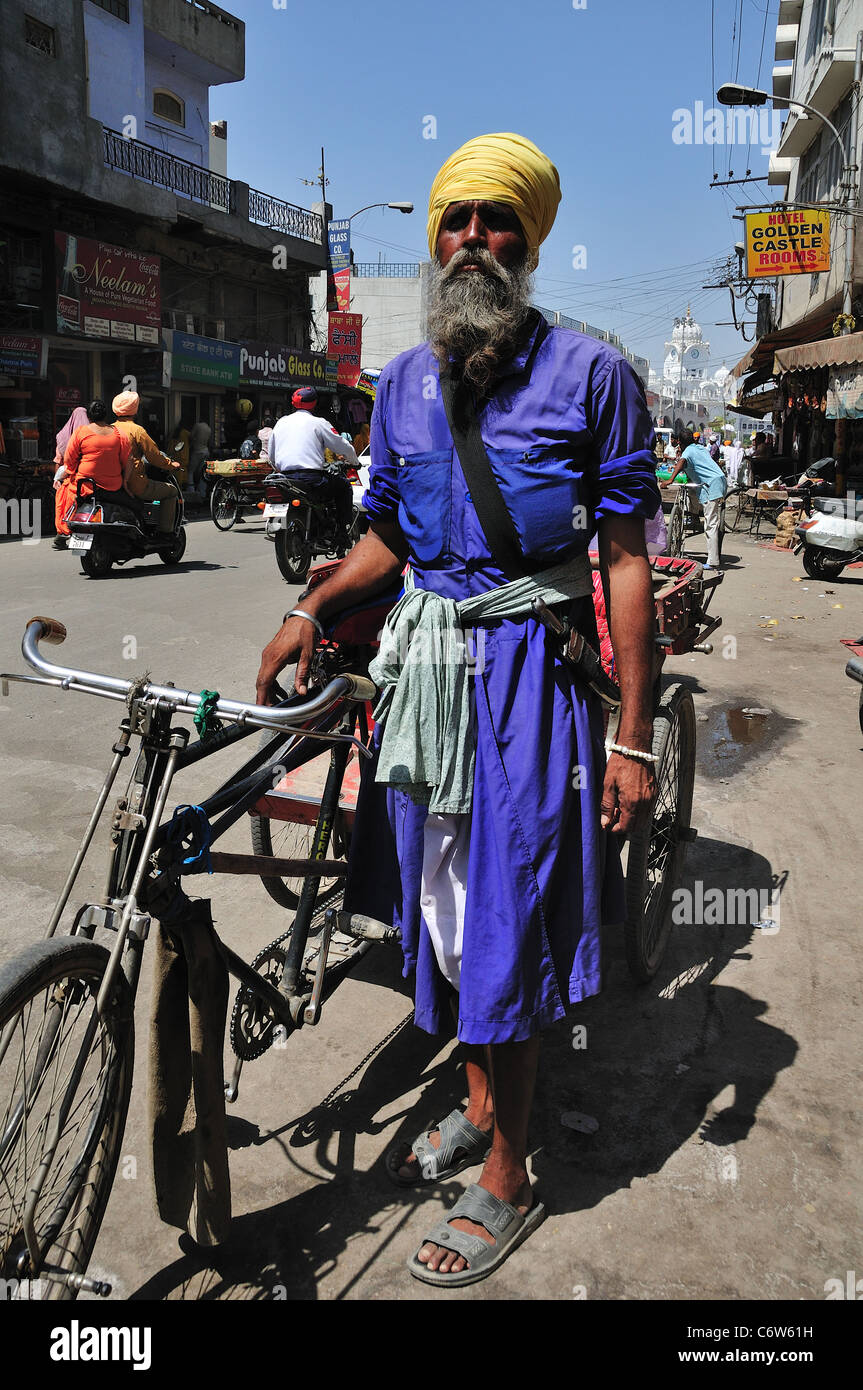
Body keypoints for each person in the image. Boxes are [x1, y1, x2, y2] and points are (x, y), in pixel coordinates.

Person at [256, 132, 660, 1287]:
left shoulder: (591, 373)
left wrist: (629, 733)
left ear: (528, 241)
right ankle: (481, 1104)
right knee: (438, 908)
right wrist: (310, 606)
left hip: (528, 680)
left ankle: (509, 1175)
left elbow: (623, 558)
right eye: (456, 220)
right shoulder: (401, 384)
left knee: (506, 914)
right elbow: (386, 532)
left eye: (497, 221)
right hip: (421, 683)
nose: (474, 238)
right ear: (434, 239)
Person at [268, 387, 357, 528]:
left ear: (293, 403)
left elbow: (271, 456)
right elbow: (342, 446)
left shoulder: (280, 423)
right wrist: (354, 461)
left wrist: (280, 469)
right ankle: (343, 531)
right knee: (344, 486)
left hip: (285, 479)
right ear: (314, 404)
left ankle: (279, 526)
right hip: (312, 479)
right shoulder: (319, 423)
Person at [111, 391, 182, 534]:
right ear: (135, 409)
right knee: (171, 491)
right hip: (135, 483)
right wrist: (171, 464)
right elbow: (154, 456)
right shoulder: (137, 430)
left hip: (112, 482)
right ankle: (165, 533)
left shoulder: (109, 429)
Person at [667, 429, 727, 569]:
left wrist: (670, 480)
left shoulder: (687, 451)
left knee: (710, 524)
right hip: (718, 480)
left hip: (712, 484)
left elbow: (682, 462)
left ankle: (713, 561)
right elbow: (696, 465)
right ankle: (693, 515)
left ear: (680, 443)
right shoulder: (699, 448)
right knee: (694, 495)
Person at [52, 405, 90, 548]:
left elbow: (58, 462)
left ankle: (62, 534)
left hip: (70, 480)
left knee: (63, 503)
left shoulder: (63, 437)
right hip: (90, 480)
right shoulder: (90, 435)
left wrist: (57, 480)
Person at [188, 419, 211, 498]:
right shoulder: (208, 428)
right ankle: (202, 492)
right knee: (202, 473)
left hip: (197, 451)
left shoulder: (197, 426)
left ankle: (191, 491)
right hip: (206, 451)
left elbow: (191, 436)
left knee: (190, 471)